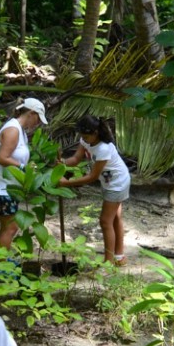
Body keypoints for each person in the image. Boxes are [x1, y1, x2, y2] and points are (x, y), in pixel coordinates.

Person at [57, 114, 131, 265]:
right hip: (109, 182)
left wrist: (66, 183)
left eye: (86, 136)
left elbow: (92, 177)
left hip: (117, 183)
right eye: (82, 136)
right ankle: (119, 257)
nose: (83, 139)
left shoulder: (103, 148)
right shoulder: (86, 140)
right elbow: (75, 159)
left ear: (96, 133)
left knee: (105, 221)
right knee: (115, 218)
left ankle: (108, 263)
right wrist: (62, 162)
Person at [0, 98, 46, 249]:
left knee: (7, 226)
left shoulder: (20, 130)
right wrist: (24, 167)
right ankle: (0, 262)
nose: (38, 123)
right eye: (38, 118)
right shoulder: (13, 130)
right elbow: (3, 158)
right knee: (11, 227)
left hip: (7, 187)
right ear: (31, 113)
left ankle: (0, 259)